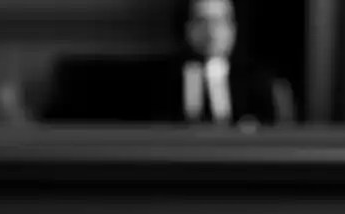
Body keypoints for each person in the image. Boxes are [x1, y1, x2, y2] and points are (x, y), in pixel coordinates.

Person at [39, 0, 287, 125]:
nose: (211, 31)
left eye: (220, 21)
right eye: (202, 21)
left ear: (233, 29)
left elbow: (275, 132)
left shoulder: (257, 78)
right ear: (187, 28)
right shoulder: (162, 76)